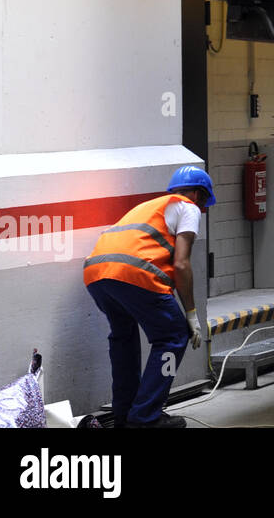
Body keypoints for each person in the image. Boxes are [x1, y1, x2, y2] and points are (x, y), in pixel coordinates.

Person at [83, 165, 214, 428]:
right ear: (199, 195)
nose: (201, 209)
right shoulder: (187, 206)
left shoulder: (150, 206)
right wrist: (191, 315)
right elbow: (181, 264)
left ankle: (124, 414)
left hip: (96, 274)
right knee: (174, 335)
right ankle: (146, 416)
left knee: (123, 338)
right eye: (204, 204)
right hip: (134, 273)